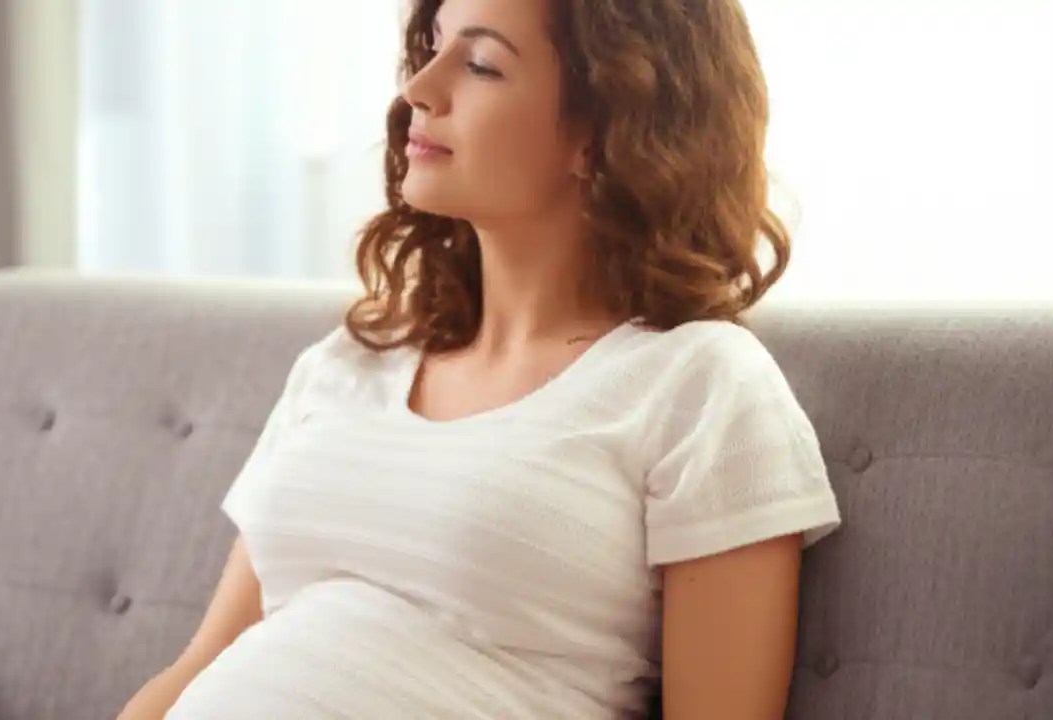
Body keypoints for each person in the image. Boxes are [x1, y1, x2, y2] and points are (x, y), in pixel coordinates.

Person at [120, 0, 842, 717]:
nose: (418, 91)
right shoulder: (346, 363)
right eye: (430, 48)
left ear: (603, 130)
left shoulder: (698, 385)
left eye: (480, 64)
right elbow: (197, 669)